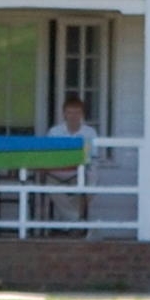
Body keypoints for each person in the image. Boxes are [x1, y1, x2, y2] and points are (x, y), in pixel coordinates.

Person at [43, 96, 102, 228]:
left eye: (77, 112)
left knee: (92, 183)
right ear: (64, 113)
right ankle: (76, 220)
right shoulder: (54, 132)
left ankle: (70, 220)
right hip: (58, 173)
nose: (73, 116)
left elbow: (93, 157)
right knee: (50, 185)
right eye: (70, 112)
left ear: (82, 114)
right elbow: (49, 156)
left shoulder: (90, 132)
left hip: (81, 172)